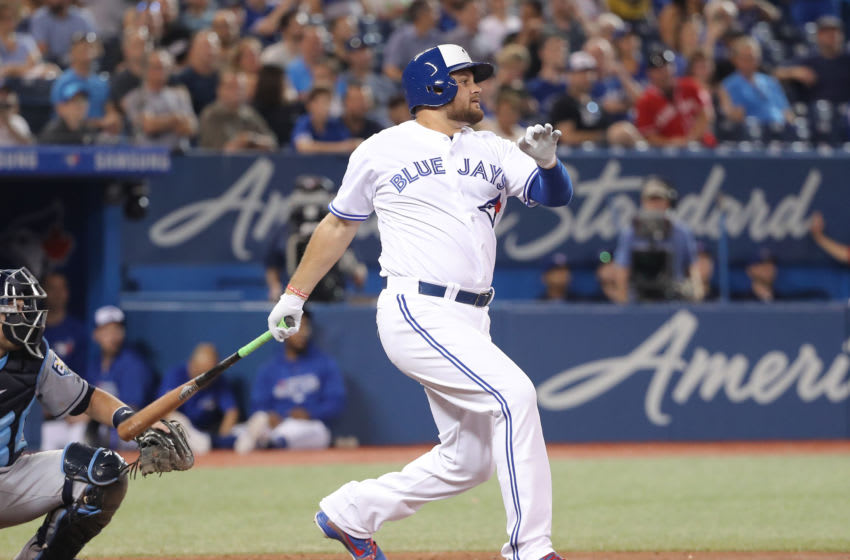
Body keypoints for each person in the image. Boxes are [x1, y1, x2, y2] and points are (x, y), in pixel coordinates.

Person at [266, 44, 574, 560]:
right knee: (515, 396)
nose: (477, 87)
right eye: (466, 78)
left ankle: (351, 513)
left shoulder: (495, 149)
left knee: (469, 461)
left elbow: (553, 195)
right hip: (416, 308)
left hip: (473, 316)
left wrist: (549, 163)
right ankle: (530, 549)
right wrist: (294, 295)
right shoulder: (382, 148)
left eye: (476, 79)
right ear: (433, 84)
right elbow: (339, 223)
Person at [0, 267, 191, 559]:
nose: (26, 315)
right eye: (15, 307)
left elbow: (88, 399)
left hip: (9, 477)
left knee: (103, 473)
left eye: (28, 306)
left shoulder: (33, 355)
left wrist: (136, 423)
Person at [235, 311, 345, 453]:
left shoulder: (325, 363)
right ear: (284, 330)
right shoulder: (270, 368)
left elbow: (336, 402)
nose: (303, 333)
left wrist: (310, 413)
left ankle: (270, 443)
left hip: (308, 426)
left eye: (306, 327)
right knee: (254, 423)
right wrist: (272, 416)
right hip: (276, 424)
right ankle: (262, 440)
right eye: (298, 327)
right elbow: (257, 405)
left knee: (320, 433)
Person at [612, 176, 703, 302]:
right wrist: (624, 305)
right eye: (651, 200)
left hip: (674, 297)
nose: (655, 204)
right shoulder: (630, 232)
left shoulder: (681, 231)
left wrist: (697, 294)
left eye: (659, 199)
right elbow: (622, 270)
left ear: (667, 202)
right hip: (638, 300)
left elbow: (692, 266)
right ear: (643, 202)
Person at [84, 304, 156, 448]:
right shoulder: (94, 365)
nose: (113, 336)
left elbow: (132, 408)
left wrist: (91, 414)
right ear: (96, 334)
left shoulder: (132, 363)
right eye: (107, 330)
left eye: (117, 330)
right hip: (101, 425)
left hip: (131, 427)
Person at [157, 343, 239, 454]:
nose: (205, 378)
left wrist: (222, 440)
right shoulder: (176, 376)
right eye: (201, 372)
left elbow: (231, 412)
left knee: (241, 436)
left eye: (210, 373)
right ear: (191, 364)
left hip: (207, 434)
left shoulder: (219, 381)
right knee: (178, 421)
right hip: (178, 433)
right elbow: (163, 410)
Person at [40, 271, 89, 450]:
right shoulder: (33, 330)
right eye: (52, 288)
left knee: (77, 440)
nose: (58, 293)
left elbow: (83, 377)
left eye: (62, 288)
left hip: (71, 411)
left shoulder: (77, 331)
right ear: (43, 291)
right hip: (41, 414)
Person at [633, 47, 717, 147]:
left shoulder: (691, 86)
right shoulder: (645, 101)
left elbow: (707, 114)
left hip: (700, 145)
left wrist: (691, 139)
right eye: (658, 70)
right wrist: (673, 143)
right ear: (650, 73)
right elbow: (648, 136)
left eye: (667, 66)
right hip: (666, 154)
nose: (664, 72)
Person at [122, 49, 197, 150]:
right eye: (157, 67)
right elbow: (148, 126)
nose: (161, 71)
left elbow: (190, 128)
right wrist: (176, 119)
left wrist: (159, 123)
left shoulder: (180, 95)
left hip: (178, 156)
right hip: (148, 157)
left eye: (165, 67)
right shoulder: (134, 98)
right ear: (146, 69)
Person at [197, 69, 278, 152]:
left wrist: (252, 139)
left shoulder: (249, 114)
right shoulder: (210, 115)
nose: (236, 92)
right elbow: (219, 150)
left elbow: (272, 143)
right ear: (219, 90)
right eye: (231, 87)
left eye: (240, 88)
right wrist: (241, 142)